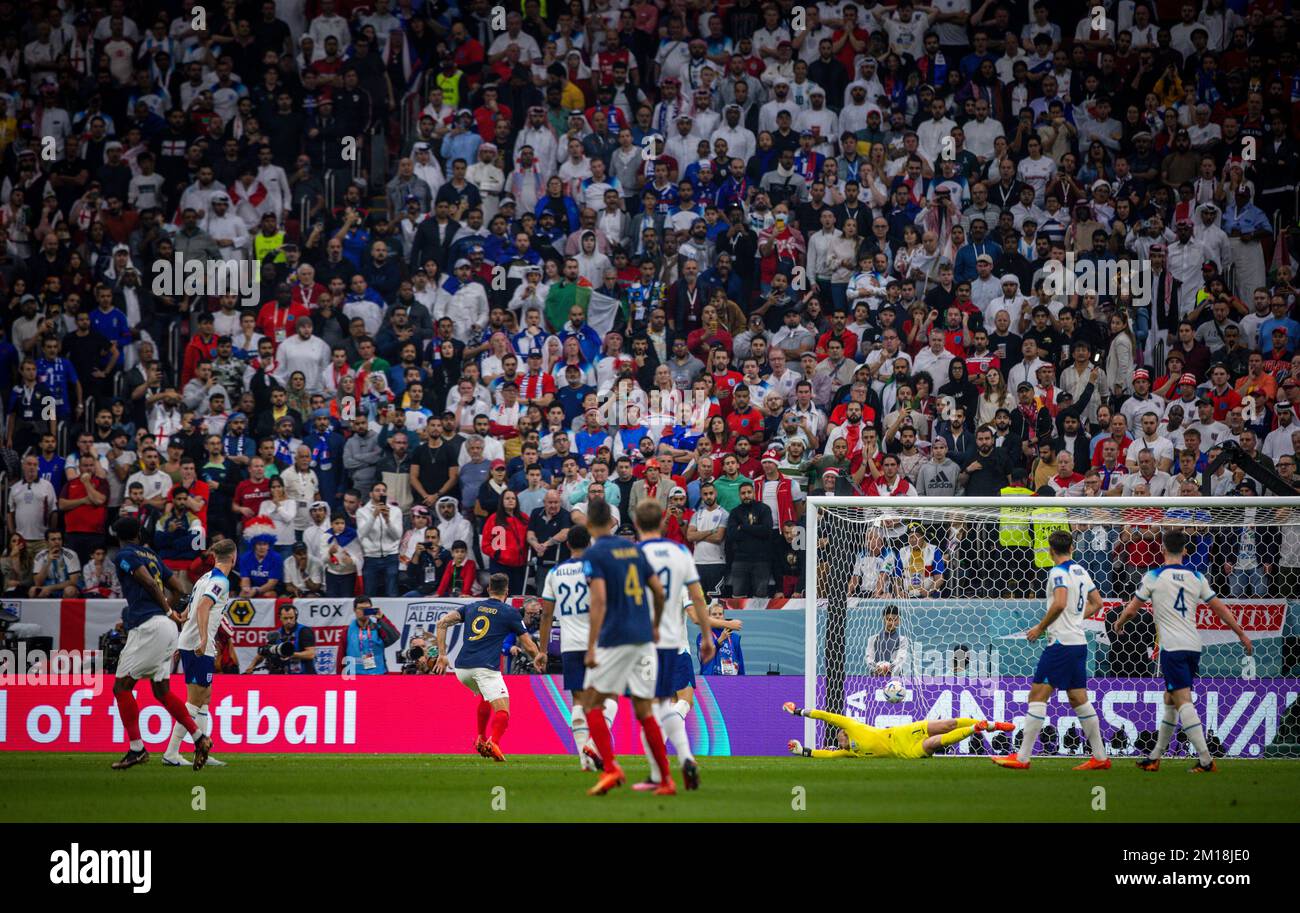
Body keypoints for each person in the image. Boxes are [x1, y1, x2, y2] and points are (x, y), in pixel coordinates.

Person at [1115, 531, 1254, 773]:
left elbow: (1131, 610)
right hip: (1193, 645)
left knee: (1182, 701)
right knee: (1170, 699)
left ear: (1162, 549)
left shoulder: (1154, 576)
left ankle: (1206, 760)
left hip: (1172, 647)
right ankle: (1155, 756)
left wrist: (1119, 624)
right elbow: (1219, 608)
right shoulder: (1197, 577)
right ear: (1186, 551)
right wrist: (1240, 633)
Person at [577, 499, 672, 795]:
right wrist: (655, 624)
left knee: (590, 704)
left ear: (589, 524)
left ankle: (611, 768)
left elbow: (599, 600)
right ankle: (666, 780)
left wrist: (591, 646)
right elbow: (658, 590)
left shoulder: (594, 553)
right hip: (643, 637)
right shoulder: (633, 549)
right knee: (644, 709)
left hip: (615, 638)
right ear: (612, 521)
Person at [993, 530, 1109, 770]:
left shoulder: (1058, 572)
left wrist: (1040, 628)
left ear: (1050, 550)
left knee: (1037, 696)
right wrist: (1076, 619)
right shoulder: (1080, 571)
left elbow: (1059, 602)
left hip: (1061, 644)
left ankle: (1022, 758)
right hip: (1078, 644)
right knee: (1078, 698)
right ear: (1072, 548)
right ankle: (1100, 757)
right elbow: (1098, 603)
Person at [108, 516, 212, 771]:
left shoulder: (126, 554)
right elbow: (178, 588)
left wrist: (165, 610)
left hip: (149, 626)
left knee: (122, 687)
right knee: (161, 690)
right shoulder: (152, 555)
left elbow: (147, 581)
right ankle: (199, 738)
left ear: (118, 536)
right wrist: (172, 611)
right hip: (166, 629)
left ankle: (137, 749)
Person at [629, 500, 715, 792]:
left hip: (642, 643)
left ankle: (659, 776)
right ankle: (685, 759)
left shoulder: (632, 555)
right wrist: (706, 636)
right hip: (670, 642)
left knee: (650, 711)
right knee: (666, 707)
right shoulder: (680, 553)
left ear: (639, 525)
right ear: (662, 523)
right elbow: (698, 599)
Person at [434, 573, 542, 761]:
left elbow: (441, 623)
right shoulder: (510, 612)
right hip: (485, 668)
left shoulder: (472, 607)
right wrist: (539, 658)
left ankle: (481, 738)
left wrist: (442, 655)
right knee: (503, 711)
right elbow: (529, 645)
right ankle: (495, 742)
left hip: (461, 669)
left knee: (486, 696)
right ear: (507, 592)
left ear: (488, 589)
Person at [537, 525, 619, 770]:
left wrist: (542, 650)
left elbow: (546, 614)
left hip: (570, 646)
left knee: (579, 702)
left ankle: (585, 762)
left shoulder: (555, 572)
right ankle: (593, 746)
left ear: (569, 545)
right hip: (599, 642)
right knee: (611, 696)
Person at [162, 538, 237, 769]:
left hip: (193, 640)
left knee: (205, 698)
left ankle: (201, 751)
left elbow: (192, 604)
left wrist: (183, 617)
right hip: (198, 643)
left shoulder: (205, 577)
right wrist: (204, 638)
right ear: (233, 557)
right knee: (194, 701)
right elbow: (204, 605)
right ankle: (171, 752)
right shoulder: (220, 581)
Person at [783, 702, 1013, 759]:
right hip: (905, 752)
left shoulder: (852, 726)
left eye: (840, 738)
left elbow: (827, 716)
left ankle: (990, 724)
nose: (839, 742)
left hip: (901, 732)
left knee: (947, 724)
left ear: (843, 732)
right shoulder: (851, 753)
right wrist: (802, 750)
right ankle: (975, 728)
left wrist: (798, 712)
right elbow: (828, 754)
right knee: (936, 743)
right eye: (839, 742)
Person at [343, 596, 400, 675]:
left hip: (378, 674)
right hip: (354, 675)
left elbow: (395, 636)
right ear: (354, 610)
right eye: (361, 608)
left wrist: (382, 618)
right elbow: (341, 656)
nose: (364, 611)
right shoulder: (347, 631)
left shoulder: (378, 628)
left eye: (367, 609)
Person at [697, 602, 745, 675]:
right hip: (710, 679)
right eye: (714, 614)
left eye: (720, 614)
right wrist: (719, 640)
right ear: (709, 617)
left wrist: (742, 681)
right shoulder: (703, 636)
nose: (717, 616)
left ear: (723, 616)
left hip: (730, 680)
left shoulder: (734, 637)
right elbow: (704, 658)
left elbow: (740, 662)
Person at [865, 604, 911, 677]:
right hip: (875, 676)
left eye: (894, 619)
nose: (891, 622)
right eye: (888, 619)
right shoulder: (873, 639)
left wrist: (889, 668)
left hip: (895, 678)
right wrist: (877, 668)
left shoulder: (902, 640)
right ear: (883, 619)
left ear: (899, 621)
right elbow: (869, 658)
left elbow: (901, 659)